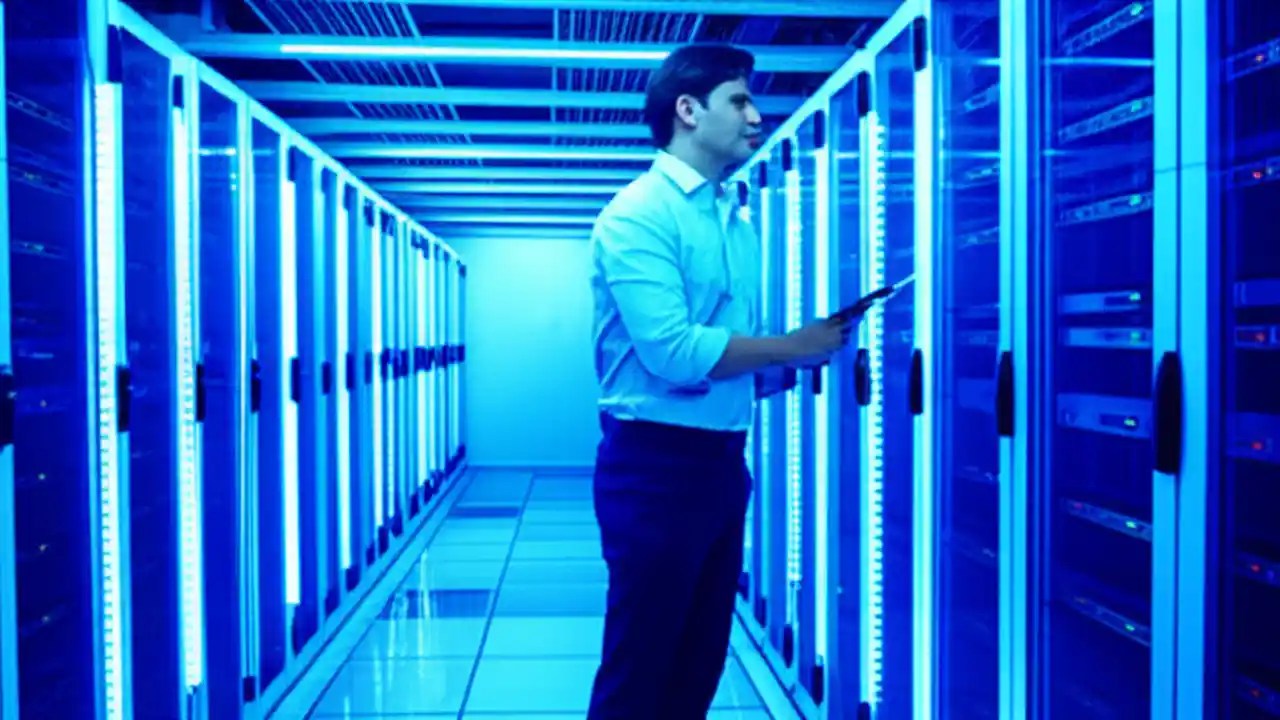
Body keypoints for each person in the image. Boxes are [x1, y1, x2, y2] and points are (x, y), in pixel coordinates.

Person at [586, 43, 857, 719]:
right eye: (739, 100)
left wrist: (785, 363)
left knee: (697, 664)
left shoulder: (733, 220)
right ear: (687, 110)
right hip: (653, 468)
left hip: (720, 464)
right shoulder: (638, 213)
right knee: (640, 668)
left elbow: (725, 353)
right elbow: (674, 351)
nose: (755, 116)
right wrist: (789, 347)